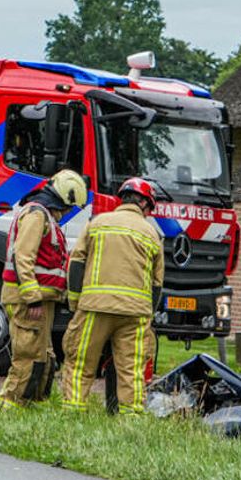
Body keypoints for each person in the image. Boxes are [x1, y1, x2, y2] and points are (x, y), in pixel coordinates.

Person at [61, 176, 164, 416]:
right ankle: (131, 418)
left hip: (94, 307)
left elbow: (76, 263)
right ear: (146, 205)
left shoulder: (97, 223)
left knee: (80, 362)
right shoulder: (152, 234)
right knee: (131, 369)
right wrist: (149, 313)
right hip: (135, 314)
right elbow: (157, 284)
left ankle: (73, 412)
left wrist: (75, 302)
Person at [0, 169, 87, 410]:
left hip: (41, 300)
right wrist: (32, 298)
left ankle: (28, 405)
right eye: (69, 207)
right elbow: (23, 257)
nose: (67, 213)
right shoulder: (37, 215)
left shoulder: (45, 216)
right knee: (27, 356)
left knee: (42, 356)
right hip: (28, 300)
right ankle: (9, 406)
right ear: (63, 199)